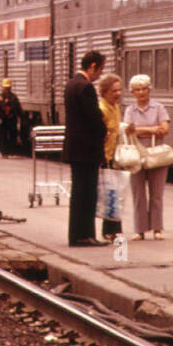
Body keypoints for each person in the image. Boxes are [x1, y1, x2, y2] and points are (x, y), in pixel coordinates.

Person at [62, 50, 108, 247]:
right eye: (100, 70)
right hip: (87, 149)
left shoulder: (71, 84)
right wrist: (103, 128)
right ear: (92, 66)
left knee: (78, 193)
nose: (100, 75)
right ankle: (86, 235)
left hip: (75, 148)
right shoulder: (86, 87)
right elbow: (94, 118)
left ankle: (76, 235)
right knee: (88, 193)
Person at [124, 75, 170, 241]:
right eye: (137, 89)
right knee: (138, 193)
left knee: (157, 193)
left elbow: (165, 129)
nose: (141, 92)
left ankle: (157, 228)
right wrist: (152, 129)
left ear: (149, 90)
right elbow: (128, 131)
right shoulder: (130, 110)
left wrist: (140, 129)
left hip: (156, 154)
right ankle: (140, 229)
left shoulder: (159, 108)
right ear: (133, 92)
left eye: (144, 88)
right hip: (135, 155)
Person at [96, 74, 125, 241]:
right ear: (105, 92)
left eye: (119, 90)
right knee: (109, 195)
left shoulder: (115, 108)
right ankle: (109, 230)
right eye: (114, 90)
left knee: (115, 193)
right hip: (105, 157)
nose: (118, 93)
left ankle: (115, 229)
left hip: (115, 156)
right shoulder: (102, 109)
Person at [0, 79, 21, 156]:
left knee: (12, 135)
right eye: (5, 87)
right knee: (3, 136)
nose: (7, 89)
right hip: (3, 118)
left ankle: (12, 150)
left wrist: (19, 116)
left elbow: (18, 107)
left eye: (8, 88)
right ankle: (4, 152)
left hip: (11, 118)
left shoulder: (13, 97)